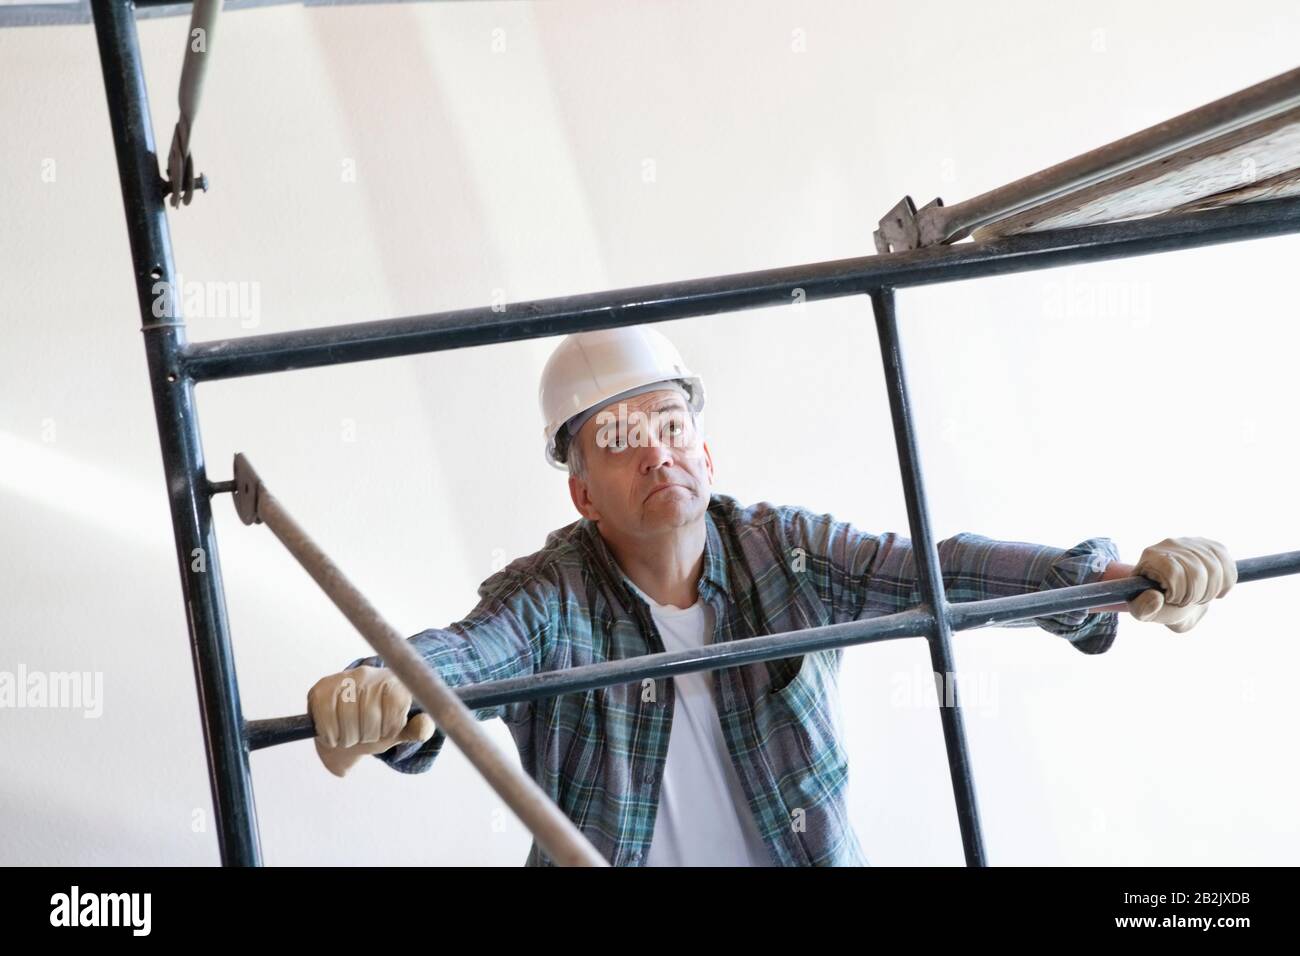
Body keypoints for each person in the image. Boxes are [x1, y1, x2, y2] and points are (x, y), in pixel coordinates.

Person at [306, 325, 1237, 866]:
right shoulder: (553, 596)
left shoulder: (785, 550)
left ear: (705, 452)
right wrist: (384, 689)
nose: (658, 451)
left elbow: (938, 570)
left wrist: (1114, 587)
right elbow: (465, 655)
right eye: (622, 439)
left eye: (672, 425)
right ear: (582, 493)